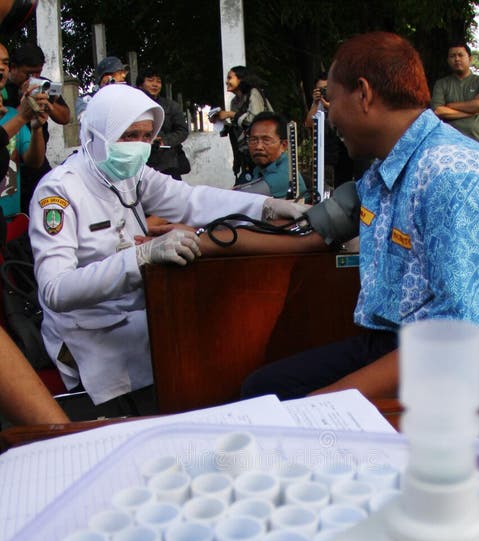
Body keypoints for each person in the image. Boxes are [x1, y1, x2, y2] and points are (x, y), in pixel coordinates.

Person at [240, 31, 479, 402]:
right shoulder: (390, 166)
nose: (329, 117)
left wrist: (327, 404)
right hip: (401, 343)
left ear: (363, 93)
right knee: (263, 391)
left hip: (463, 369)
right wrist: (203, 240)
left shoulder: (453, 175)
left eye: (332, 100)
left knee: (297, 413)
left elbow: (465, 334)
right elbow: (316, 230)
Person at [29, 84, 304, 417]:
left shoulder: (129, 174)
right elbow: (55, 290)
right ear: (95, 135)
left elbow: (192, 200)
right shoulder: (58, 191)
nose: (139, 147)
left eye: (147, 137)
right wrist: (140, 258)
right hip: (91, 341)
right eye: (129, 135)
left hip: (144, 322)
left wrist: (268, 208)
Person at [4, 42, 70, 212]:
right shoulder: (4, 88)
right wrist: (24, 105)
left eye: (38, 72)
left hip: (36, 156)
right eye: (28, 73)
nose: (33, 77)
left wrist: (47, 104)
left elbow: (65, 117)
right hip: (10, 163)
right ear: (13, 68)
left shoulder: (43, 85)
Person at [0, 41, 46, 219]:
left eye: (5, 62)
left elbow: (34, 161)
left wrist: (36, 129)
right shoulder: (17, 117)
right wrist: (22, 117)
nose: (2, 68)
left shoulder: (11, 114)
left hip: (11, 223)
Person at [209, 66, 272, 181]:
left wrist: (229, 114)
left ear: (241, 79)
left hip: (262, 151)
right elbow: (240, 126)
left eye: (230, 78)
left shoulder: (254, 93)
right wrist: (221, 120)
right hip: (247, 154)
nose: (227, 81)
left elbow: (255, 120)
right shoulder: (235, 101)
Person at [431, 43, 479, 146]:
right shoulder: (442, 84)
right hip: (449, 142)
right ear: (448, 60)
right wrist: (471, 111)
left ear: (470, 58)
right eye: (452, 56)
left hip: (478, 142)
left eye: (460, 55)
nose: (457, 59)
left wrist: (450, 105)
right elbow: (438, 111)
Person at [136, 68, 190, 180]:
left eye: (158, 81)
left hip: (167, 162)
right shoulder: (132, 105)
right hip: (140, 162)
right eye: (150, 80)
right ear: (140, 84)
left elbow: (183, 131)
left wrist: (165, 140)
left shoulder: (171, 106)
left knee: (173, 195)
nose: (155, 84)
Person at [237, 111, 306, 198]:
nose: (258, 147)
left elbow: (237, 198)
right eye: (253, 139)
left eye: (266, 140)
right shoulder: (259, 168)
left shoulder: (285, 174)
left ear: (283, 145)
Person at [75, 55, 128, 122]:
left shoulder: (127, 95)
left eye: (124, 73)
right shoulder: (85, 99)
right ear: (106, 77)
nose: (124, 76)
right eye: (119, 73)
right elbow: (86, 121)